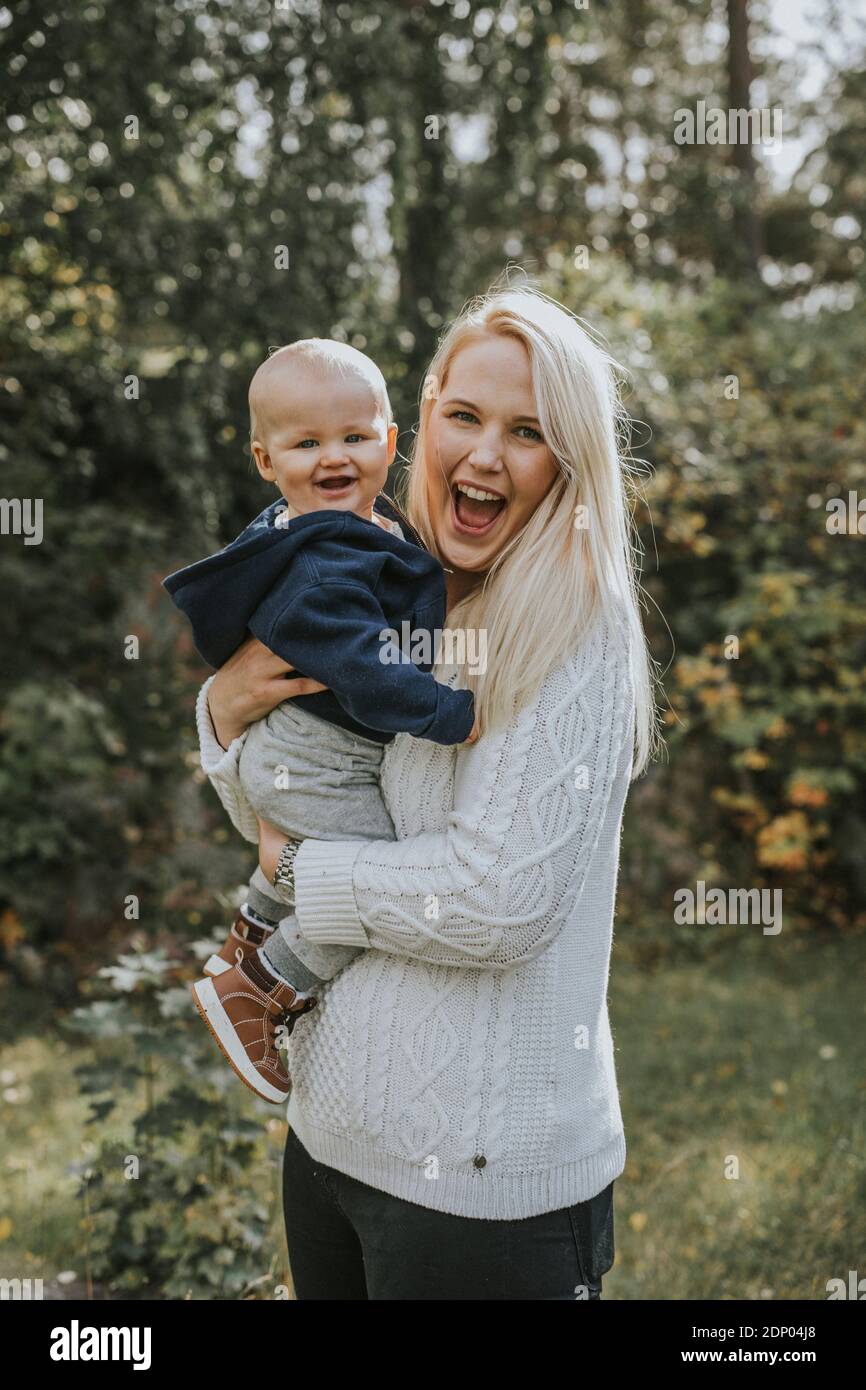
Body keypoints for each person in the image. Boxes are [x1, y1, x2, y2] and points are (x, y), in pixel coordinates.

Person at [197, 280, 660, 1300]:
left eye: (528, 432)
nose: (486, 455)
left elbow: (498, 905)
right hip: (328, 1138)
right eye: (466, 417)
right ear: (427, 422)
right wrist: (224, 716)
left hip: (481, 1187)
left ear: (569, 460)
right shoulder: (387, 582)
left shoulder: (571, 624)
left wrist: (300, 871)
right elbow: (286, 810)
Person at [164, 339, 479, 1103]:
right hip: (315, 756)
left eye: (353, 437)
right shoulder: (322, 566)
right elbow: (369, 676)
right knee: (362, 878)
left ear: (391, 441)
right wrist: (450, 713)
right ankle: (264, 988)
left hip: (302, 749)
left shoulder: (344, 528)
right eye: (306, 444)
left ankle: (248, 935)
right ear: (266, 460)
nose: (333, 457)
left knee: (325, 856)